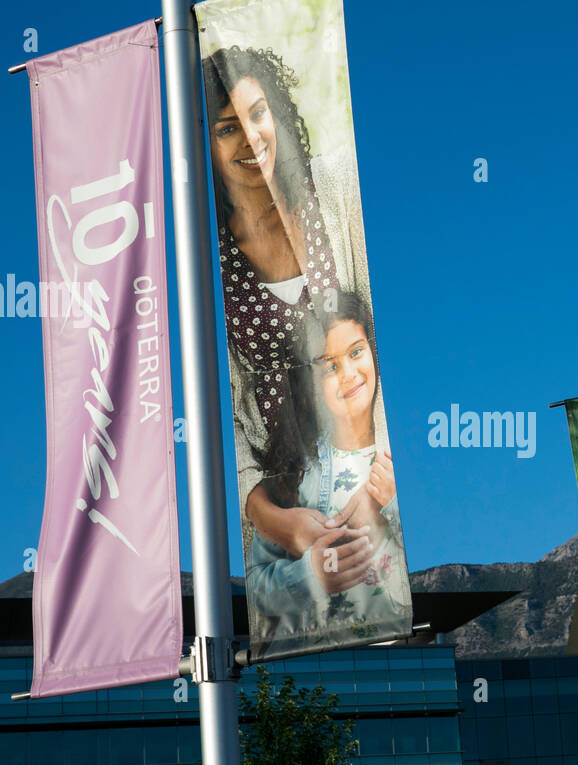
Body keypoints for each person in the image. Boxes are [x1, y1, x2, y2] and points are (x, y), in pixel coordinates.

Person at [202, 45, 378, 571]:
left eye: (258, 114)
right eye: (226, 128)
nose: (251, 136)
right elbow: (226, 417)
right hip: (280, 502)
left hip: (367, 466)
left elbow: (379, 341)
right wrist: (273, 520)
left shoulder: (337, 190)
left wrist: (376, 485)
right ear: (203, 145)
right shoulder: (204, 253)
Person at [244, 292, 410, 639]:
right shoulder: (299, 474)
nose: (349, 373)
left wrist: (393, 502)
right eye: (330, 366)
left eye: (355, 352)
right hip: (325, 656)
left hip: (399, 643)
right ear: (309, 388)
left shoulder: (404, 458)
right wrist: (309, 576)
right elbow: (255, 587)